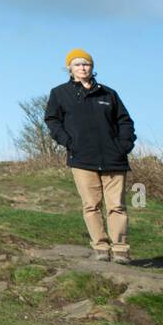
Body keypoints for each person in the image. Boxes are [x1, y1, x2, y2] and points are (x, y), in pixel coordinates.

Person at [45, 49, 136, 264]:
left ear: (92, 67)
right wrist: (69, 142)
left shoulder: (108, 94)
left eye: (86, 64)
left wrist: (124, 145)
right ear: (70, 68)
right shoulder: (59, 93)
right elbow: (52, 120)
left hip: (114, 159)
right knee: (91, 205)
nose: (82, 68)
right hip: (82, 159)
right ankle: (101, 247)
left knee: (117, 206)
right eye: (77, 64)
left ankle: (121, 249)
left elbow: (125, 121)